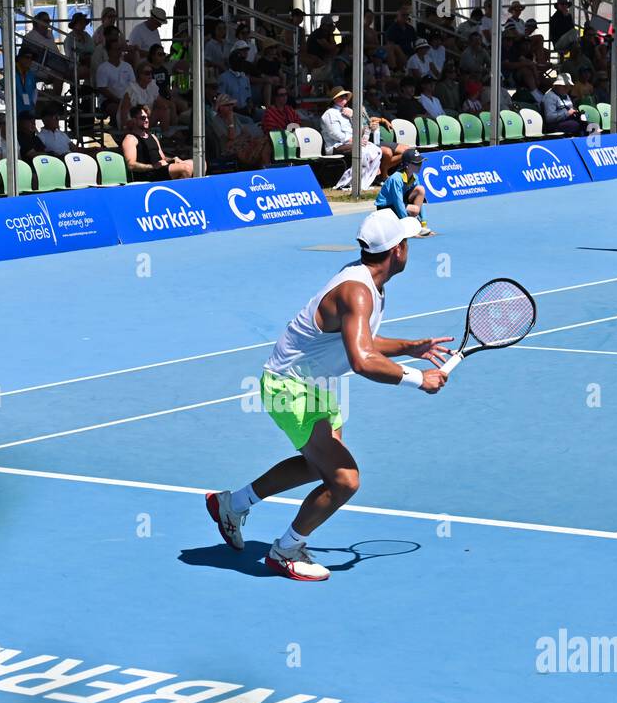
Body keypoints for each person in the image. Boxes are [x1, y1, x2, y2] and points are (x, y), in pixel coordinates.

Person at [205, 209, 448, 581]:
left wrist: (406, 346)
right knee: (345, 479)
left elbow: (360, 339)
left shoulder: (365, 283)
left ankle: (232, 505)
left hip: (312, 384)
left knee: (318, 467)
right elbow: (363, 359)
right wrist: (418, 379)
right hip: (290, 387)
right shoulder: (357, 291)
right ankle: (284, 551)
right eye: (408, 242)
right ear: (398, 251)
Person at [122, 103, 192, 180]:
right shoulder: (130, 138)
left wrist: (172, 159)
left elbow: (163, 158)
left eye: (147, 118)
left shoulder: (153, 136)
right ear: (134, 120)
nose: (146, 120)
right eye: (143, 118)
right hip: (148, 174)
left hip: (161, 170)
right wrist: (153, 166)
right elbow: (131, 165)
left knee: (197, 164)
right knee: (185, 168)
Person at [375, 147, 434, 235]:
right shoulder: (396, 179)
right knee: (414, 210)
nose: (420, 165)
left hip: (400, 204)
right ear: (406, 165)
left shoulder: (414, 177)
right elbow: (397, 202)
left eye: (420, 162)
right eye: (416, 163)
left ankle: (419, 226)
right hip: (386, 208)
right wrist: (408, 228)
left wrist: (424, 224)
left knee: (420, 189)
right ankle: (409, 226)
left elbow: (420, 202)